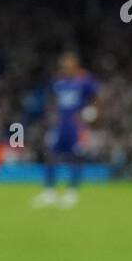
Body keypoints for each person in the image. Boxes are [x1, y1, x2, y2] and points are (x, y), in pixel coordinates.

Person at [33, 52, 98, 209]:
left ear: (75, 64)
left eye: (68, 64)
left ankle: (72, 192)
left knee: (76, 157)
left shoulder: (85, 79)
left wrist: (91, 111)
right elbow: (52, 99)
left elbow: (97, 96)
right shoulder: (58, 80)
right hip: (60, 124)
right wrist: (52, 115)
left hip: (76, 125)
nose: (65, 67)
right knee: (50, 155)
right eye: (63, 65)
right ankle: (49, 192)